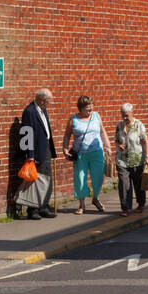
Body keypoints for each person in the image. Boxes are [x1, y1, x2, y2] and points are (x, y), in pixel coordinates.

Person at [63, 96, 110, 214]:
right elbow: (67, 135)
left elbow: (102, 131)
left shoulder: (96, 116)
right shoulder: (73, 119)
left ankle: (95, 198)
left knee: (98, 178)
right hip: (80, 155)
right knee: (80, 179)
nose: (90, 111)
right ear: (80, 109)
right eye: (87, 109)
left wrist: (108, 146)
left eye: (91, 108)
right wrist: (64, 148)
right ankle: (82, 205)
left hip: (97, 152)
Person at [19, 89, 57, 219]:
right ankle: (33, 209)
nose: (50, 104)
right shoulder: (29, 112)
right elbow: (26, 133)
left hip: (45, 148)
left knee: (46, 179)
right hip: (36, 151)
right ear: (42, 100)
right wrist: (30, 154)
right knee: (35, 181)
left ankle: (43, 206)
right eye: (49, 101)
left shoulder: (42, 110)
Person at [114, 103, 148, 216]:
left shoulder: (139, 125)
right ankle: (125, 208)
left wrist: (147, 157)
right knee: (124, 184)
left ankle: (141, 204)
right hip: (122, 160)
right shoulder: (119, 126)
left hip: (137, 159)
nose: (124, 118)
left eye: (126, 115)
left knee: (138, 183)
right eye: (122, 115)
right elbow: (116, 140)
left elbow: (145, 142)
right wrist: (118, 145)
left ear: (132, 113)